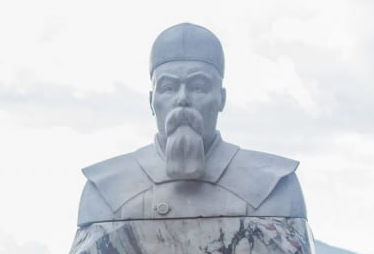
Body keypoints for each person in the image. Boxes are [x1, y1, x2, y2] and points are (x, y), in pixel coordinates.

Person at [77, 22, 305, 224]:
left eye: (198, 86)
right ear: (151, 101)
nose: (182, 99)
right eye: (168, 87)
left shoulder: (273, 187)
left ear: (222, 99)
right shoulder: (107, 191)